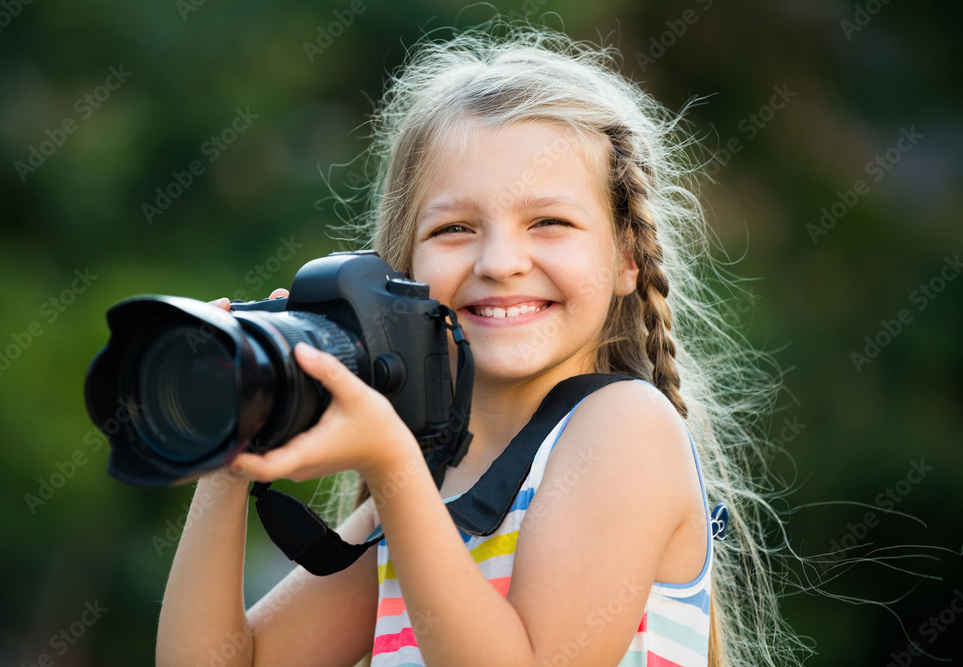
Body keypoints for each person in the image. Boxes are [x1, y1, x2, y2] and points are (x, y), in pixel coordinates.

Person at [156, 21, 802, 667]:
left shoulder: (626, 429)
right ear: (402, 270)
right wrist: (232, 447)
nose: (499, 260)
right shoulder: (424, 487)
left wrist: (393, 467)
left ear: (627, 257)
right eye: (455, 227)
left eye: (549, 222)